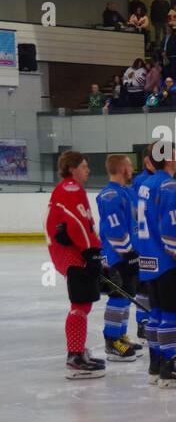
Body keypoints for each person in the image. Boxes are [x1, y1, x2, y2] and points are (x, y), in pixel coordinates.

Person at [136, 141, 176, 387]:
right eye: (174, 152)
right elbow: (173, 228)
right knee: (172, 312)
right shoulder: (171, 186)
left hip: (149, 260)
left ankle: (157, 362)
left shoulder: (146, 184)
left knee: (157, 313)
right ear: (169, 158)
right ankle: (170, 364)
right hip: (167, 261)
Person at [46, 151, 106, 378]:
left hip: (75, 253)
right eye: (83, 166)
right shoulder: (71, 188)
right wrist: (91, 253)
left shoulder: (66, 188)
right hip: (75, 255)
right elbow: (77, 223)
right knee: (80, 304)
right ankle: (74, 356)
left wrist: (96, 252)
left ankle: (78, 351)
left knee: (84, 305)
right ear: (72, 168)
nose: (87, 170)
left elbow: (81, 225)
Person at [94, 154, 141, 364]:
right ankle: (111, 340)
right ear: (123, 169)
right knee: (118, 295)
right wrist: (128, 253)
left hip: (128, 253)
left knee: (127, 295)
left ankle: (121, 335)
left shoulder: (127, 192)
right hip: (116, 256)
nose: (132, 170)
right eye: (130, 166)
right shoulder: (110, 195)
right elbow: (114, 229)